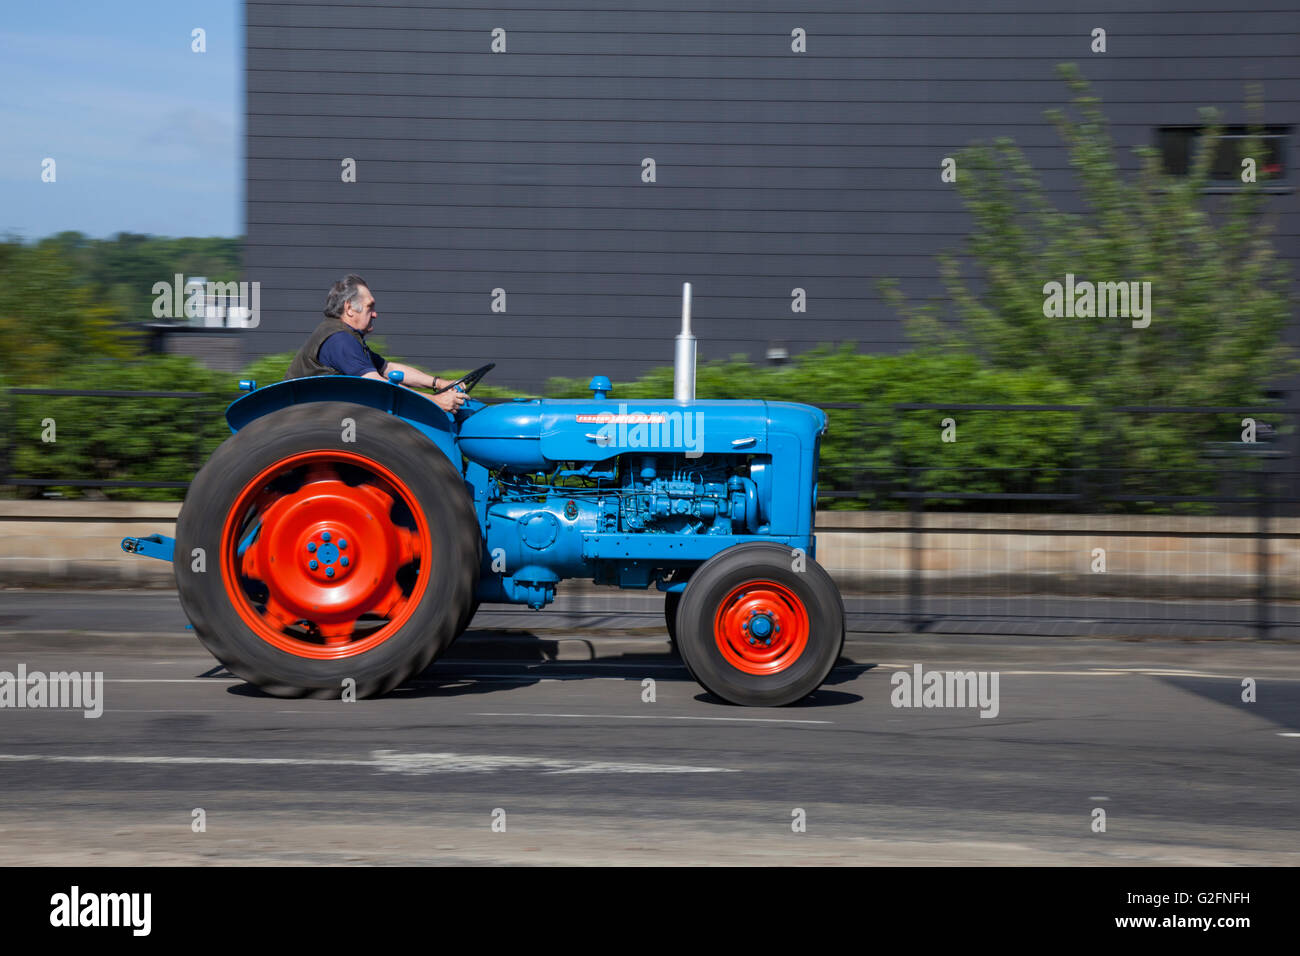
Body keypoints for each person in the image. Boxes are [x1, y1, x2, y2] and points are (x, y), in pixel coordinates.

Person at [284, 274, 466, 414]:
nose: (375, 314)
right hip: (311, 418)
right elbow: (377, 384)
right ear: (349, 308)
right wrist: (435, 402)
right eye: (370, 307)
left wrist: (440, 383)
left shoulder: (345, 336)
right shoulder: (340, 340)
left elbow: (387, 368)